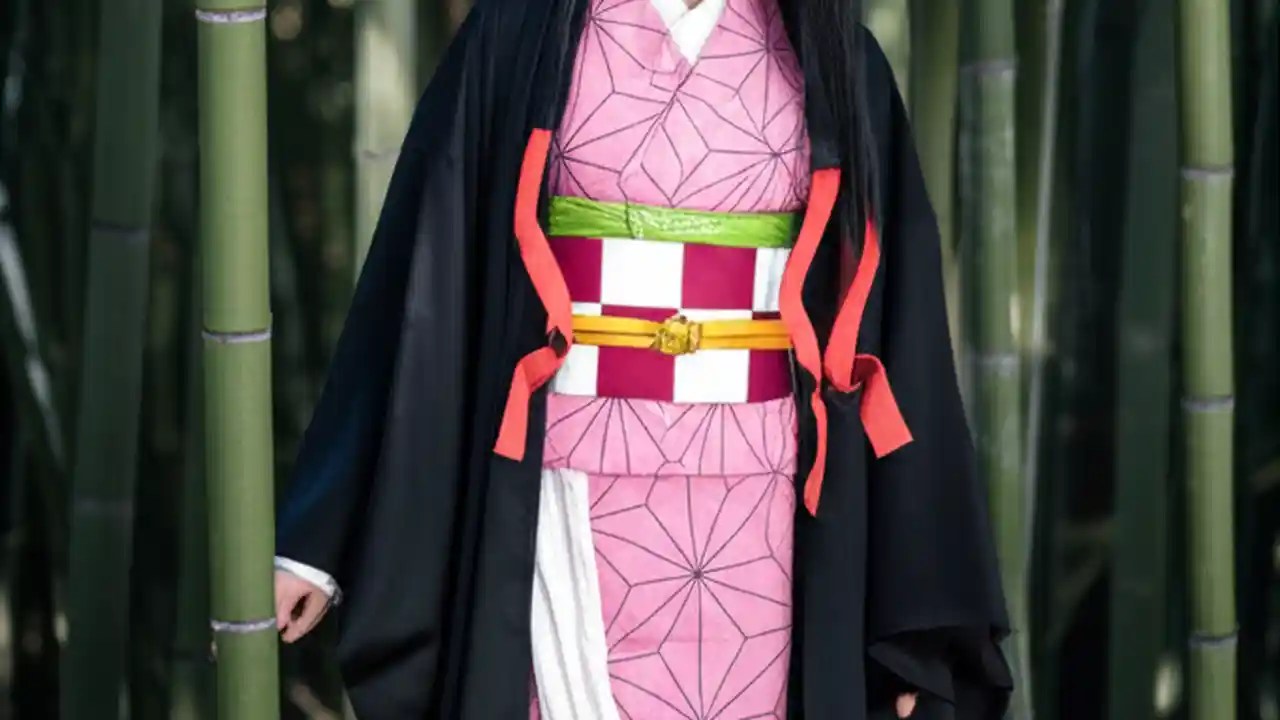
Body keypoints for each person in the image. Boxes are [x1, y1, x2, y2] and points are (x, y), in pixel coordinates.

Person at [273, 0, 1013, 718]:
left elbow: (899, 328)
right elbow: (420, 273)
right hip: (565, 473)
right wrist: (317, 542)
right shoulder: (519, 33)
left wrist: (918, 620)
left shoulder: (835, 55)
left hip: (765, 493)